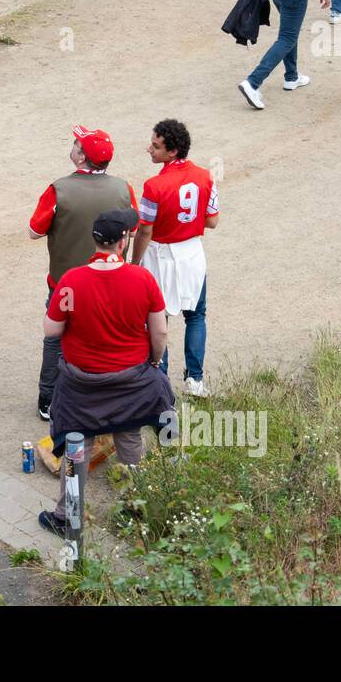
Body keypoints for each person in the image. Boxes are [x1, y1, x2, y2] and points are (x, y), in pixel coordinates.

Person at [37, 209, 174, 539]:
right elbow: (160, 334)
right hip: (130, 381)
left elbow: (51, 330)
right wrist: (154, 363)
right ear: (124, 240)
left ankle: (66, 517)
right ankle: (135, 509)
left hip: (81, 384)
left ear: (95, 240)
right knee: (129, 438)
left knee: (76, 446)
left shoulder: (71, 281)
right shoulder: (143, 280)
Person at [28, 126, 137, 421]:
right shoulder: (123, 189)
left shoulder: (58, 189)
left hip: (66, 284)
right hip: (111, 282)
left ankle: (48, 398)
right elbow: (135, 227)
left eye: (77, 143)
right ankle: (105, 396)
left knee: (55, 339)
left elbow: (33, 231)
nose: (74, 145)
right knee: (104, 337)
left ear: (81, 156)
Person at [129, 120, 218, 399]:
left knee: (158, 320)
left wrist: (134, 263)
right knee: (196, 316)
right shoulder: (205, 176)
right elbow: (212, 221)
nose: (149, 149)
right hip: (192, 253)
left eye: (156, 146)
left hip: (160, 255)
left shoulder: (154, 186)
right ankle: (195, 380)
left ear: (172, 151)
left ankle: (160, 385)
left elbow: (145, 229)